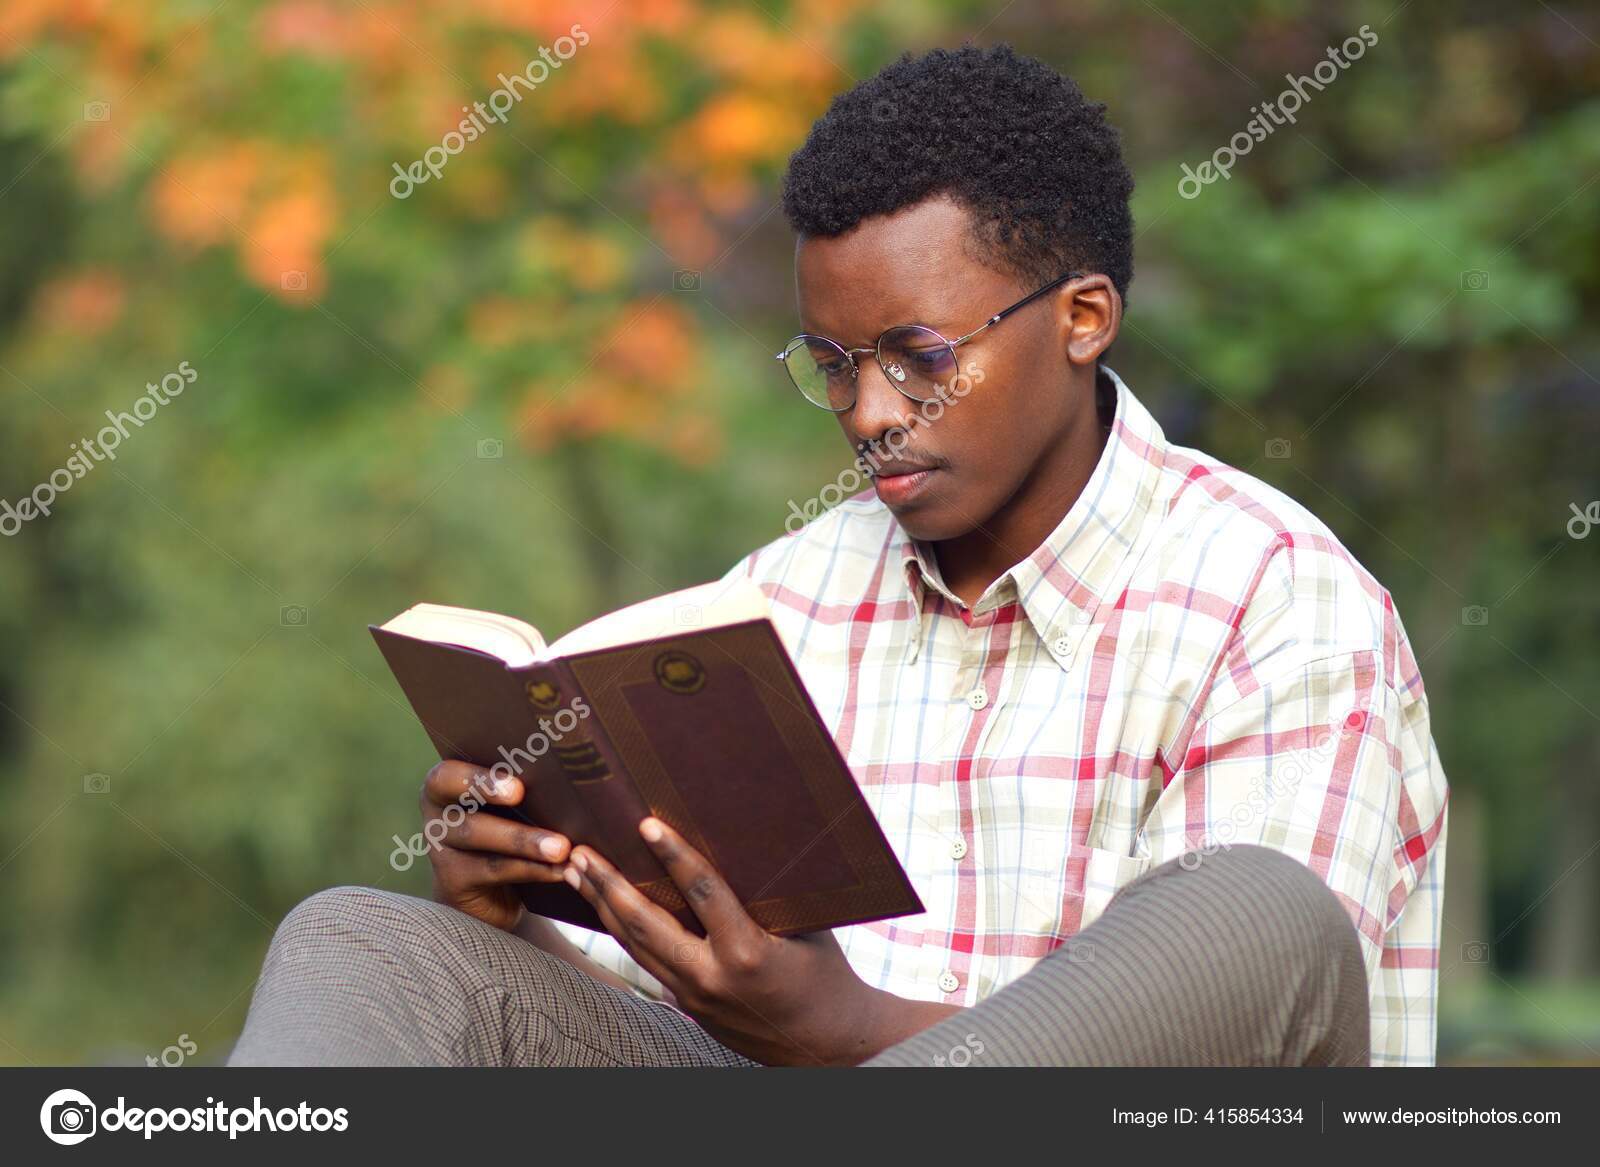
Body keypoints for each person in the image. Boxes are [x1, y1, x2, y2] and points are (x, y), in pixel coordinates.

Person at [230, 44, 1446, 1069]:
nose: (868, 412)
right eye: (832, 363)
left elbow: (1267, 1026)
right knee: (359, 939)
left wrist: (841, 1027)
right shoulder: (776, 604)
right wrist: (516, 910)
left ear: (1081, 319)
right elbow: (648, 1011)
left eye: (917, 354)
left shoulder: (1279, 601)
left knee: (1257, 915)